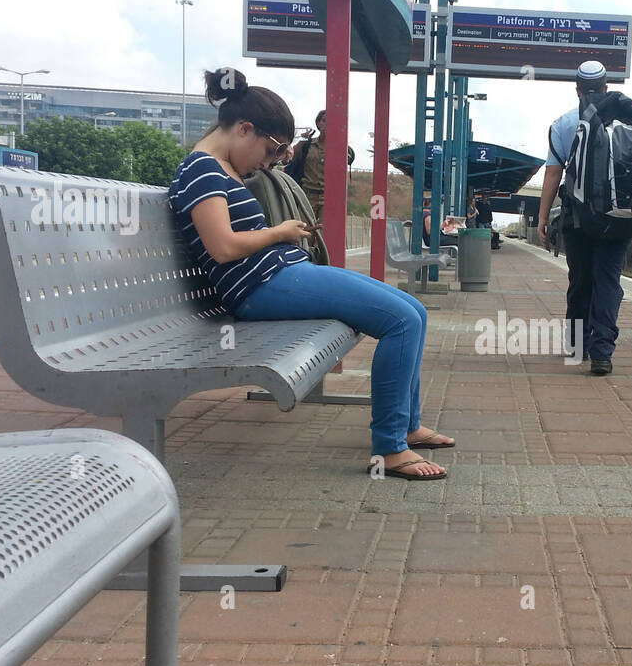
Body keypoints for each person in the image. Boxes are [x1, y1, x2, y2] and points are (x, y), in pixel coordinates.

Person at [167, 67, 451, 480]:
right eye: (271, 150)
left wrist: (280, 237)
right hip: (261, 288)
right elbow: (222, 246)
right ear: (244, 129)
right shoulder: (202, 170)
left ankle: (407, 425)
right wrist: (278, 232)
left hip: (282, 274)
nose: (271, 162)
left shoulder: (221, 169)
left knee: (413, 310)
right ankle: (390, 447)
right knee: (402, 321)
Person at [537, 60, 631, 376]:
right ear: (606, 87)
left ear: (577, 89)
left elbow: (553, 172)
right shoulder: (626, 119)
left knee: (580, 280)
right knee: (608, 280)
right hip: (618, 216)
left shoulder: (564, 123)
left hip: (578, 217)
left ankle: (578, 345)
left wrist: (542, 218)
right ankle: (602, 351)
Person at [297, 109, 355, 223]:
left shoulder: (340, 146)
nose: (327, 124)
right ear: (318, 123)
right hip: (307, 196)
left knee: (326, 236)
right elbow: (290, 157)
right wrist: (302, 141)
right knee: (305, 234)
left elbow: (349, 158)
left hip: (329, 198)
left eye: (332, 122)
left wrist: (340, 141)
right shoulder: (308, 144)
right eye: (324, 120)